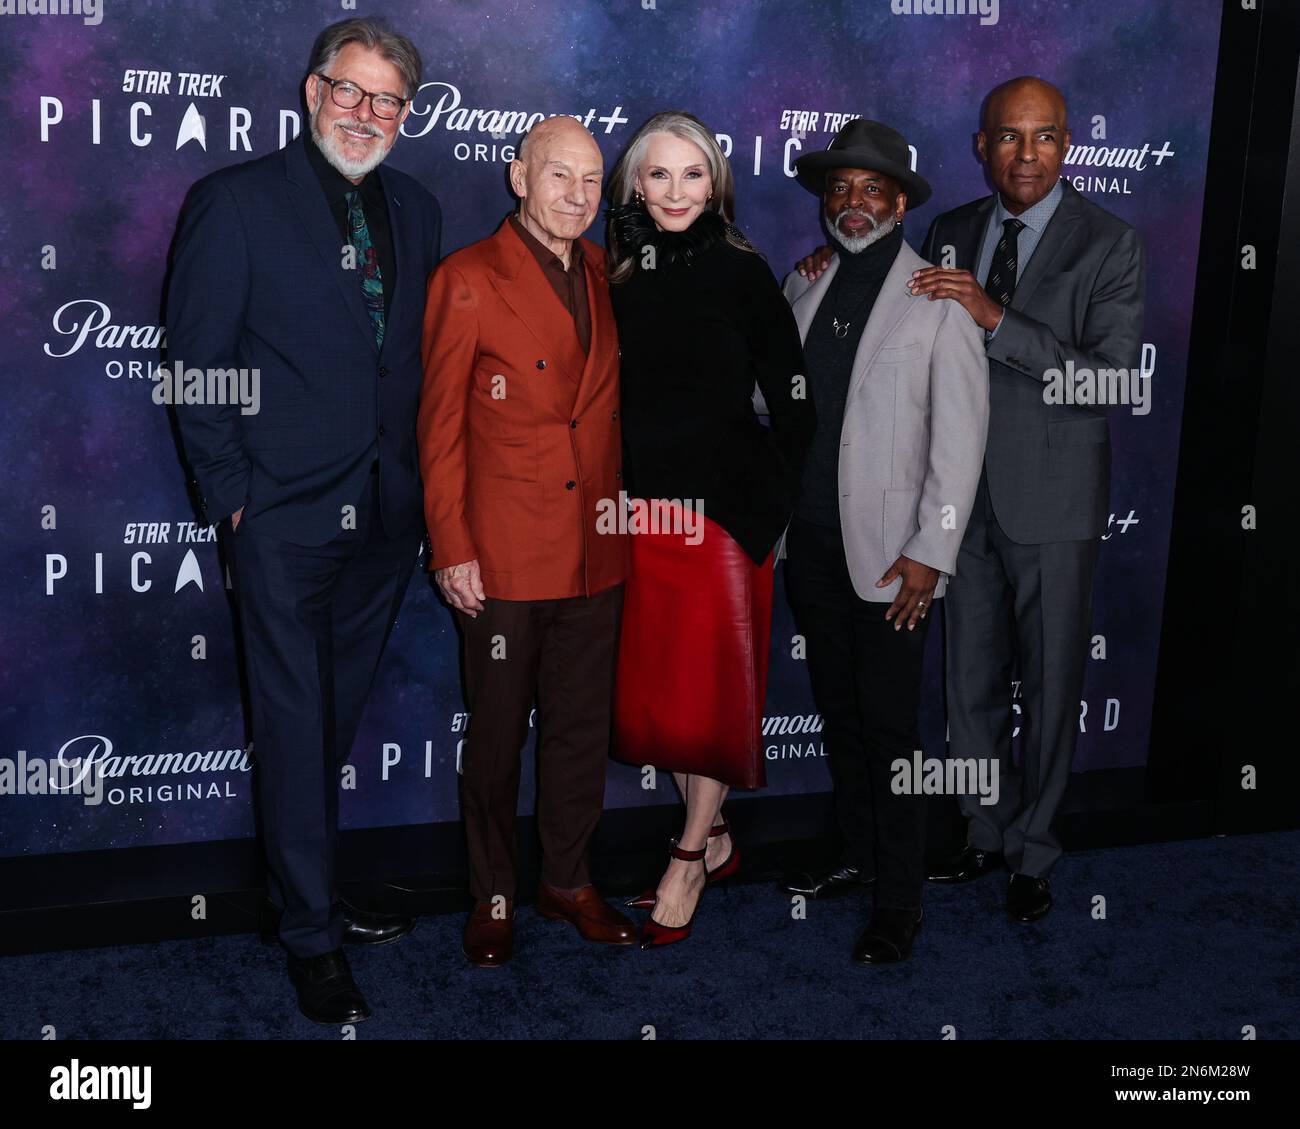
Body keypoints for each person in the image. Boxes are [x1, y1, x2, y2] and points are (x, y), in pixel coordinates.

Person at [797, 78, 1146, 923]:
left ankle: (1033, 851)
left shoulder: (1109, 241)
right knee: (966, 683)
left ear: (1067, 143)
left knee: (1052, 679)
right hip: (950, 502)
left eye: (1044, 137)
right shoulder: (950, 229)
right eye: (1008, 137)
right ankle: (983, 832)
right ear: (982, 145)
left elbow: (1108, 377)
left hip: (1048, 496)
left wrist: (997, 319)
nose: (1026, 154)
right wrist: (821, 270)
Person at [166, 17, 442, 1023]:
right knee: (291, 724)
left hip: (383, 516)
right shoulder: (233, 202)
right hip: (279, 516)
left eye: (387, 101)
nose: (365, 115)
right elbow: (197, 367)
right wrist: (233, 498)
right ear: (311, 91)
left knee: (324, 727)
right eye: (349, 92)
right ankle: (312, 939)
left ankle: (306, 889)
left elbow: (405, 366)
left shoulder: (414, 208)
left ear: (405, 117)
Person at [418, 116, 636, 968]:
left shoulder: (600, 266)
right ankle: (495, 891)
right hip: (504, 553)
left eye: (591, 182)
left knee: (580, 730)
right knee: (499, 737)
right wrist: (451, 545)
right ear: (518, 177)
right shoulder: (467, 278)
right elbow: (438, 429)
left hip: (596, 546)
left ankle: (569, 879)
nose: (578, 197)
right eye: (559, 178)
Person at [777, 120, 988, 964]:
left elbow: (961, 439)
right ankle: (858, 853)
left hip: (898, 558)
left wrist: (932, 554)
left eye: (871, 190)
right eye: (840, 189)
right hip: (814, 548)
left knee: (892, 730)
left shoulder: (939, 298)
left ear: (900, 204)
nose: (853, 204)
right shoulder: (805, 285)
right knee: (840, 713)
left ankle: (899, 900)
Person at [606, 111, 816, 949]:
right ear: (633, 185)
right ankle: (719, 836)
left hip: (724, 520)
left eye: (694, 174)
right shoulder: (612, 269)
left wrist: (769, 493)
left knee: (712, 696)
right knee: (669, 696)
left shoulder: (742, 270)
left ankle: (688, 855)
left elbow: (795, 396)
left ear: (717, 183)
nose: (676, 191)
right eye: (659, 175)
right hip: (640, 516)